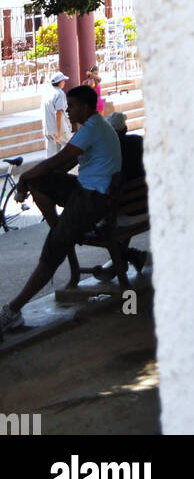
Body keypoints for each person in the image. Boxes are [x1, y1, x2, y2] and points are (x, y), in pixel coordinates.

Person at [0, 85, 121, 333]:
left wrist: (23, 179)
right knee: (39, 179)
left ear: (86, 108)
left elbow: (59, 159)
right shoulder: (96, 127)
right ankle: (60, 231)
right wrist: (34, 178)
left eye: (72, 105)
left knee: (52, 252)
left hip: (92, 199)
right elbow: (65, 164)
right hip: (91, 193)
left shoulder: (91, 129)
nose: (67, 110)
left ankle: (13, 311)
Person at [89, 112, 147, 281]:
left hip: (123, 216)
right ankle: (124, 259)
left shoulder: (106, 154)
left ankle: (128, 256)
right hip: (145, 210)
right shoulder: (139, 142)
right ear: (126, 129)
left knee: (94, 222)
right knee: (115, 211)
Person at [42, 71, 72, 156]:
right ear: (60, 82)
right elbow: (58, 113)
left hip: (48, 129)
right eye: (63, 81)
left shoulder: (47, 93)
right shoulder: (59, 93)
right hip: (58, 129)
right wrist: (58, 132)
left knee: (51, 156)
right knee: (71, 148)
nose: (64, 83)